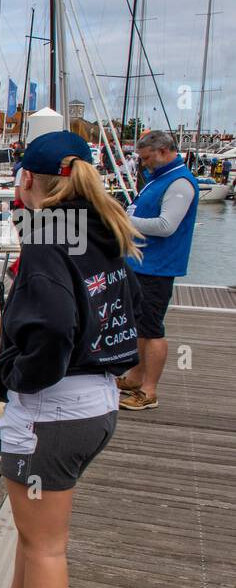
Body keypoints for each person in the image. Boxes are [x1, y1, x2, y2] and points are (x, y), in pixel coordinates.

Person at [0, 130, 141, 588]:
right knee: (35, 531)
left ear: (29, 181)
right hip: (96, 402)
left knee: (45, 545)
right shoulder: (102, 228)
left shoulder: (43, 237)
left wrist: (16, 377)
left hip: (55, 415)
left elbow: (56, 327)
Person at [116, 130, 199, 411]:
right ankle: (137, 376)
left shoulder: (179, 183)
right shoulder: (160, 179)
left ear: (164, 151)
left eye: (148, 158)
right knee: (139, 325)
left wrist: (126, 220)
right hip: (142, 263)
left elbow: (166, 226)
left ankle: (149, 391)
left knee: (152, 329)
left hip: (157, 267)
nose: (144, 163)